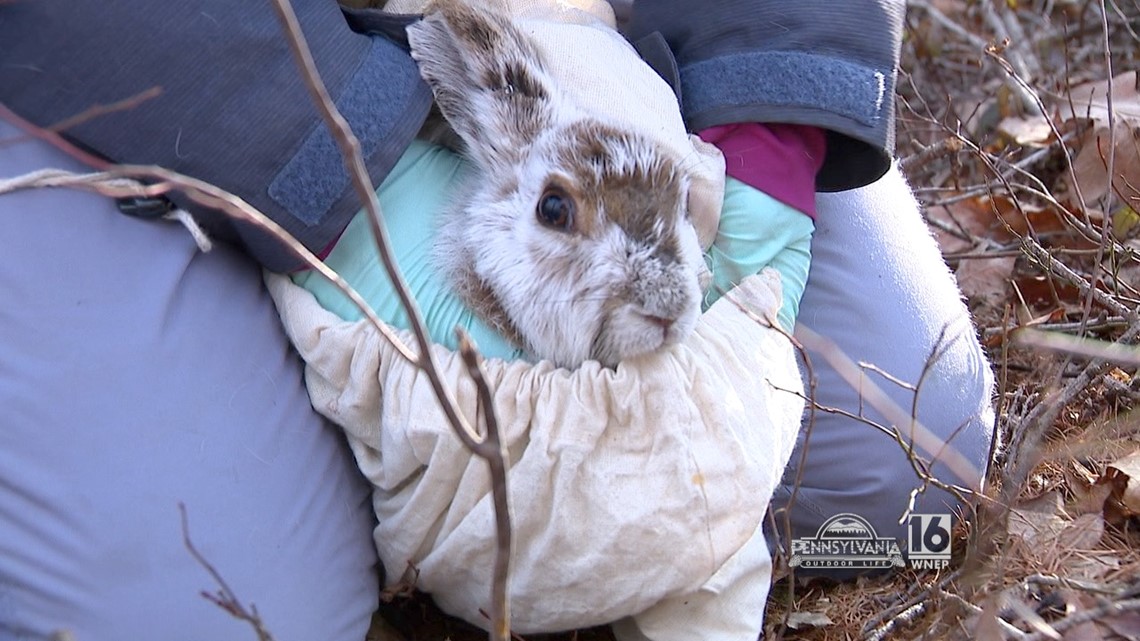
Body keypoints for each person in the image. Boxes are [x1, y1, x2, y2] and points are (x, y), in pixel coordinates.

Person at [0, 2, 994, 641]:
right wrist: (335, 158)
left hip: (565, 30)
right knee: (201, 607)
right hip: (154, 51)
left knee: (905, 471)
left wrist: (771, 135)